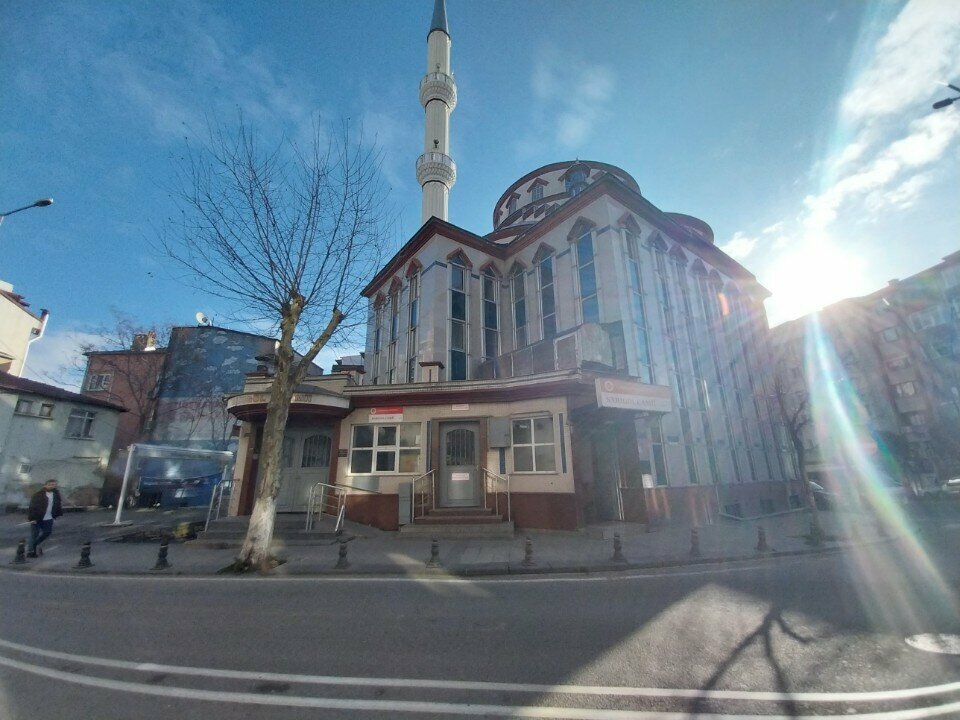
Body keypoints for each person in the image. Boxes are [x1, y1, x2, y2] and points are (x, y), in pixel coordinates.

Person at [27, 479, 63, 558]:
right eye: (50, 485)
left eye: (54, 485)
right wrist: (32, 518)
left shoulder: (56, 494)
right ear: (45, 485)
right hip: (37, 518)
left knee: (47, 532)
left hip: (48, 518)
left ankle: (34, 545)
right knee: (34, 534)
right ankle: (30, 552)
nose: (52, 486)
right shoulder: (38, 494)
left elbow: (57, 505)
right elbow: (32, 507)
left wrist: (58, 514)